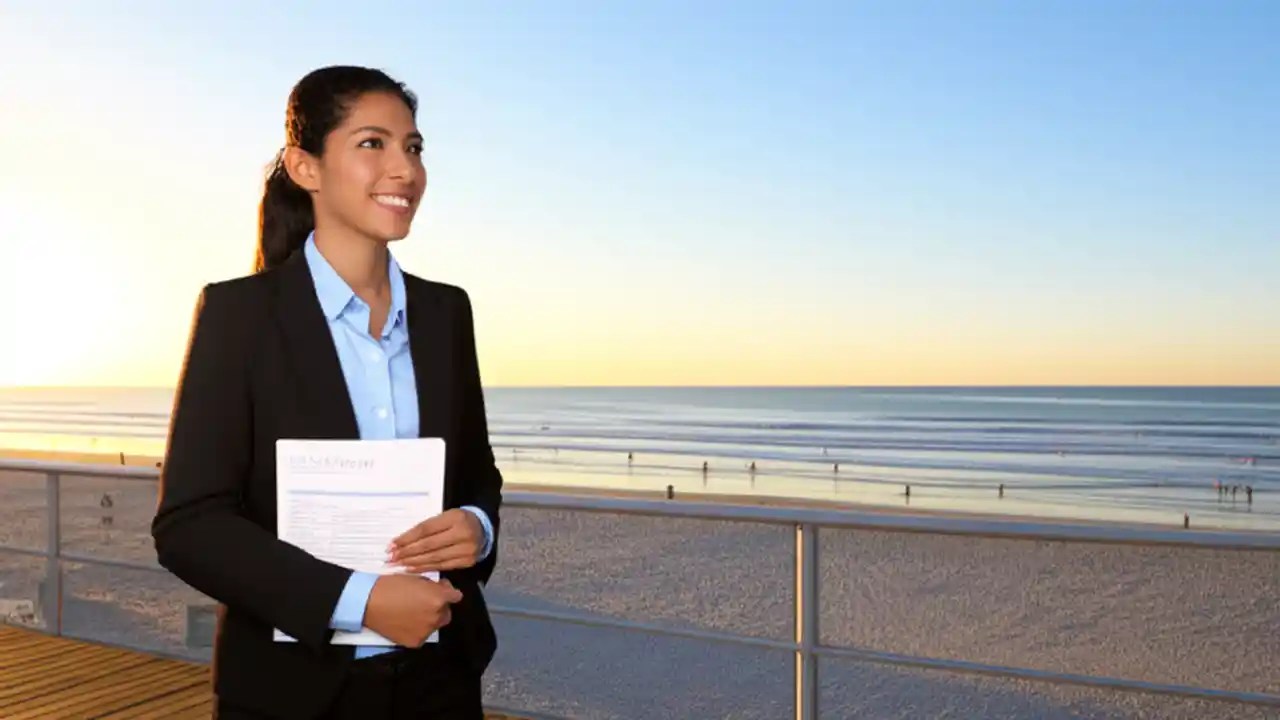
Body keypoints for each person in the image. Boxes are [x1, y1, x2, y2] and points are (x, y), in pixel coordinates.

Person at [151, 66, 502, 719]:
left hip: (440, 684)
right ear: (305, 166)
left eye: (414, 147)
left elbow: (479, 474)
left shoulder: (448, 312)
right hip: (290, 694)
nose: (406, 169)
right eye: (374, 143)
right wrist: (359, 600)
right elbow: (189, 524)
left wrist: (476, 530)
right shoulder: (239, 315)